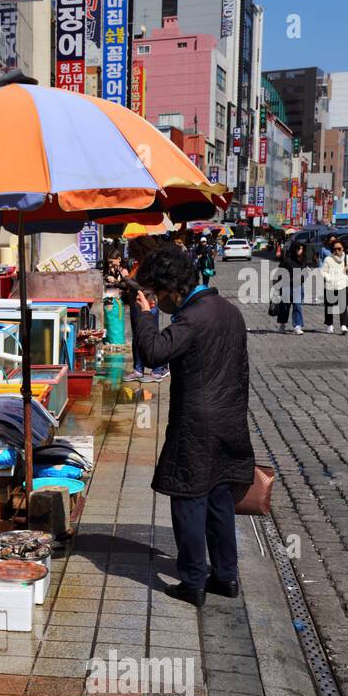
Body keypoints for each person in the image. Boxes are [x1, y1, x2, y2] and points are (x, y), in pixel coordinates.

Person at [127, 245, 256, 606]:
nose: (158, 301)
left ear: (172, 289)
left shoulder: (192, 318)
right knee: (219, 498)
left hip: (196, 423)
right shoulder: (229, 311)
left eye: (158, 294)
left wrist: (146, 316)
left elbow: (154, 354)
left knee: (188, 498)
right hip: (230, 418)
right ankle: (226, 576)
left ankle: (193, 581)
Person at [123, 236, 168, 383]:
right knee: (138, 336)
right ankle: (138, 369)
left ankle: (157, 370)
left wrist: (126, 279)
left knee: (150, 335)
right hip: (137, 304)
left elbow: (144, 286)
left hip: (147, 304)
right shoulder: (140, 264)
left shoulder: (148, 266)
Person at [320, 238, 348, 333]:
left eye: (339, 248)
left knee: (342, 306)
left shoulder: (347, 258)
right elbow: (322, 271)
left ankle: (343, 325)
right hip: (330, 286)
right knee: (329, 307)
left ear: (343, 248)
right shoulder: (328, 259)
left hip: (342, 285)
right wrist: (328, 278)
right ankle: (329, 325)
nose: (337, 250)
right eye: (335, 249)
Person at [275, 238, 302, 333]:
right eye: (299, 249)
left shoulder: (302, 261)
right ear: (294, 249)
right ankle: (282, 325)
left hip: (298, 287)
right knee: (285, 307)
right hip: (286, 287)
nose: (301, 251)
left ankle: (297, 326)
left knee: (297, 306)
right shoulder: (286, 261)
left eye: (301, 249)